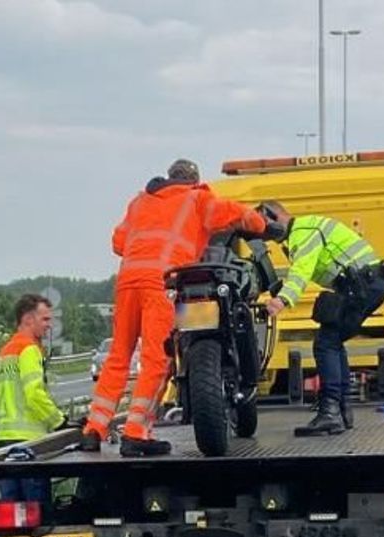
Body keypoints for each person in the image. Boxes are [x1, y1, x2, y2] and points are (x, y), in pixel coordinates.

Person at [80, 158, 268, 457]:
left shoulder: (141, 201)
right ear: (193, 180)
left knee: (119, 356)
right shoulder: (197, 198)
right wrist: (261, 224)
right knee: (158, 359)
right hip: (164, 283)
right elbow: (238, 215)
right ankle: (136, 433)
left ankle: (94, 429)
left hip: (128, 281)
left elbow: (118, 242)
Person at [260, 201, 384, 436]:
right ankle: (340, 410)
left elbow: (302, 270)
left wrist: (281, 300)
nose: (266, 234)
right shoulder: (305, 230)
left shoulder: (304, 232)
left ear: (275, 215)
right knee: (331, 339)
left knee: (326, 343)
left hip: (361, 285)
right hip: (364, 284)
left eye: (265, 226)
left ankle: (331, 412)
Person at [0, 293, 68, 537]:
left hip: (5, 439)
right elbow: (34, 393)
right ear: (28, 318)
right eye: (45, 319)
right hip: (30, 441)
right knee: (36, 514)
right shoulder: (28, 349)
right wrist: (59, 422)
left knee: (8, 511)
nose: (49, 326)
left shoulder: (6, 350)